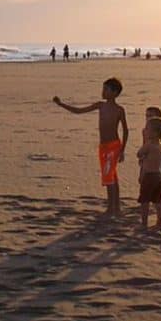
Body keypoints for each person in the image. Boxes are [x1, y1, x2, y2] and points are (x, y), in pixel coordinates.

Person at [53, 77, 129, 217]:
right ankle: (115, 207)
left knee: (109, 177)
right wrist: (61, 104)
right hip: (103, 146)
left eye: (106, 89)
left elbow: (125, 130)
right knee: (112, 176)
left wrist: (123, 149)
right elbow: (79, 111)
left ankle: (112, 208)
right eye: (103, 88)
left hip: (113, 146)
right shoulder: (100, 105)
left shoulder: (119, 110)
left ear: (114, 92)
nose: (103, 92)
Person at [136, 117, 161, 229]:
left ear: (155, 133)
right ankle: (159, 223)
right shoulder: (160, 145)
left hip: (149, 176)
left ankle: (144, 223)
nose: (145, 130)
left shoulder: (149, 144)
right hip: (158, 175)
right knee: (157, 200)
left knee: (144, 201)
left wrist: (144, 141)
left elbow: (139, 153)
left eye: (147, 129)